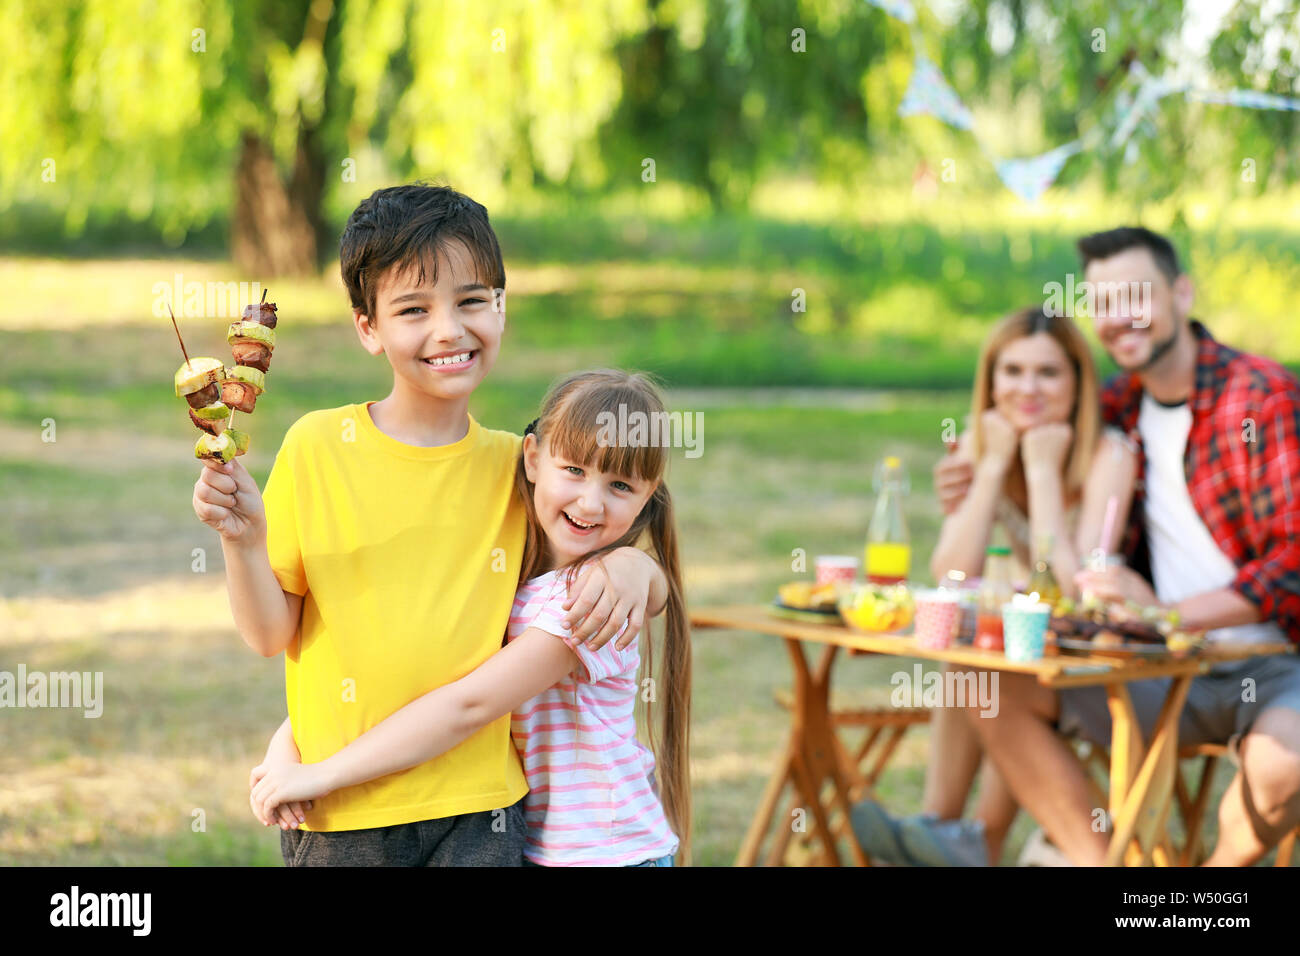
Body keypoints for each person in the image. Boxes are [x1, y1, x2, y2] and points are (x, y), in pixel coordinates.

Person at [191, 185, 668, 866]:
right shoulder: (317, 448)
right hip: (341, 811)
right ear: (368, 328)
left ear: (502, 307)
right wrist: (243, 543)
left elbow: (599, 570)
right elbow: (272, 635)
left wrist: (635, 566)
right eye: (413, 309)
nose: (448, 330)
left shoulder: (522, 471)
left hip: (483, 814)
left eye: (472, 301)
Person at [935, 226, 1300, 865]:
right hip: (1151, 668)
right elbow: (1038, 429)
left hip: (1274, 667)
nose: (1119, 316)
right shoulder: (1116, 408)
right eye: (1102, 302)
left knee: (1279, 770)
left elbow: (1294, 562)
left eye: (1137, 294)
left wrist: (1163, 615)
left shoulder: (1259, 398)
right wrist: (974, 477)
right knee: (984, 678)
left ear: (1181, 293)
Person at [245, 370, 692, 867]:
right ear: (532, 458)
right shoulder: (516, 572)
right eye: (574, 471)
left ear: (648, 496)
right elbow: (410, 682)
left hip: (605, 856)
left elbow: (469, 703)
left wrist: (325, 775)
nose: (591, 501)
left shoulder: (586, 603)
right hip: (545, 848)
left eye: (620, 485)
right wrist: (289, 743)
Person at [853, 306, 1137, 866]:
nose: (1027, 388)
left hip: (1093, 666)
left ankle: (952, 840)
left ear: (1078, 383)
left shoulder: (1110, 455)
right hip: (1019, 655)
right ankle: (945, 831)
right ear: (991, 380)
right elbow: (952, 573)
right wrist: (990, 465)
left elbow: (1071, 590)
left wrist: (1040, 471)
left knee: (983, 664)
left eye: (1048, 373)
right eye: (1012, 372)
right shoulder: (985, 445)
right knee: (973, 653)